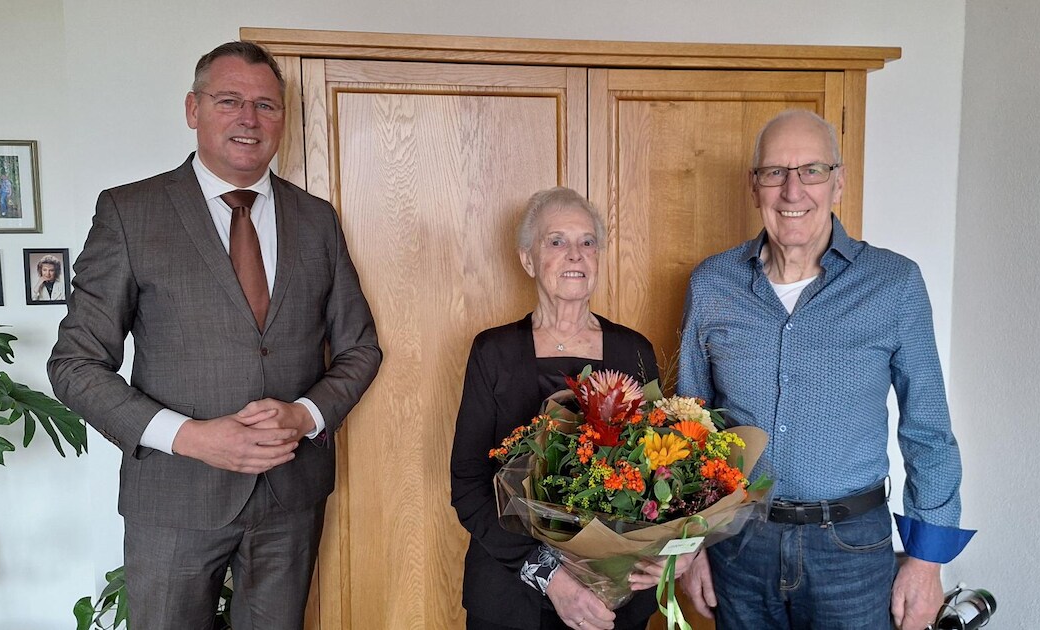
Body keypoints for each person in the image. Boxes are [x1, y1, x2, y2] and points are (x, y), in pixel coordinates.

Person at [48, 41, 382, 630]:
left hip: (290, 496)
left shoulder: (317, 219)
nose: (249, 119)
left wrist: (305, 415)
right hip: (174, 498)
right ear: (192, 109)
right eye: (229, 100)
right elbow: (75, 364)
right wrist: (191, 438)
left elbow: (359, 348)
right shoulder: (131, 212)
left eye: (266, 105)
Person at [676, 110, 974, 630]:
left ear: (838, 181)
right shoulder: (711, 284)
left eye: (811, 170)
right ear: (754, 187)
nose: (793, 190)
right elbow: (686, 428)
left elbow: (927, 429)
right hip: (739, 545)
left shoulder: (894, 284)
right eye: (775, 172)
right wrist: (688, 548)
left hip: (853, 550)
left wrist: (926, 563)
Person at [451, 187, 689, 630]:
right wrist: (552, 578)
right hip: (509, 597)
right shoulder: (493, 352)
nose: (575, 255)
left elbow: (665, 476)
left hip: (614, 600)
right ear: (528, 260)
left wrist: (671, 552)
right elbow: (468, 485)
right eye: (556, 241)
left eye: (587, 242)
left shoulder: (632, 349)